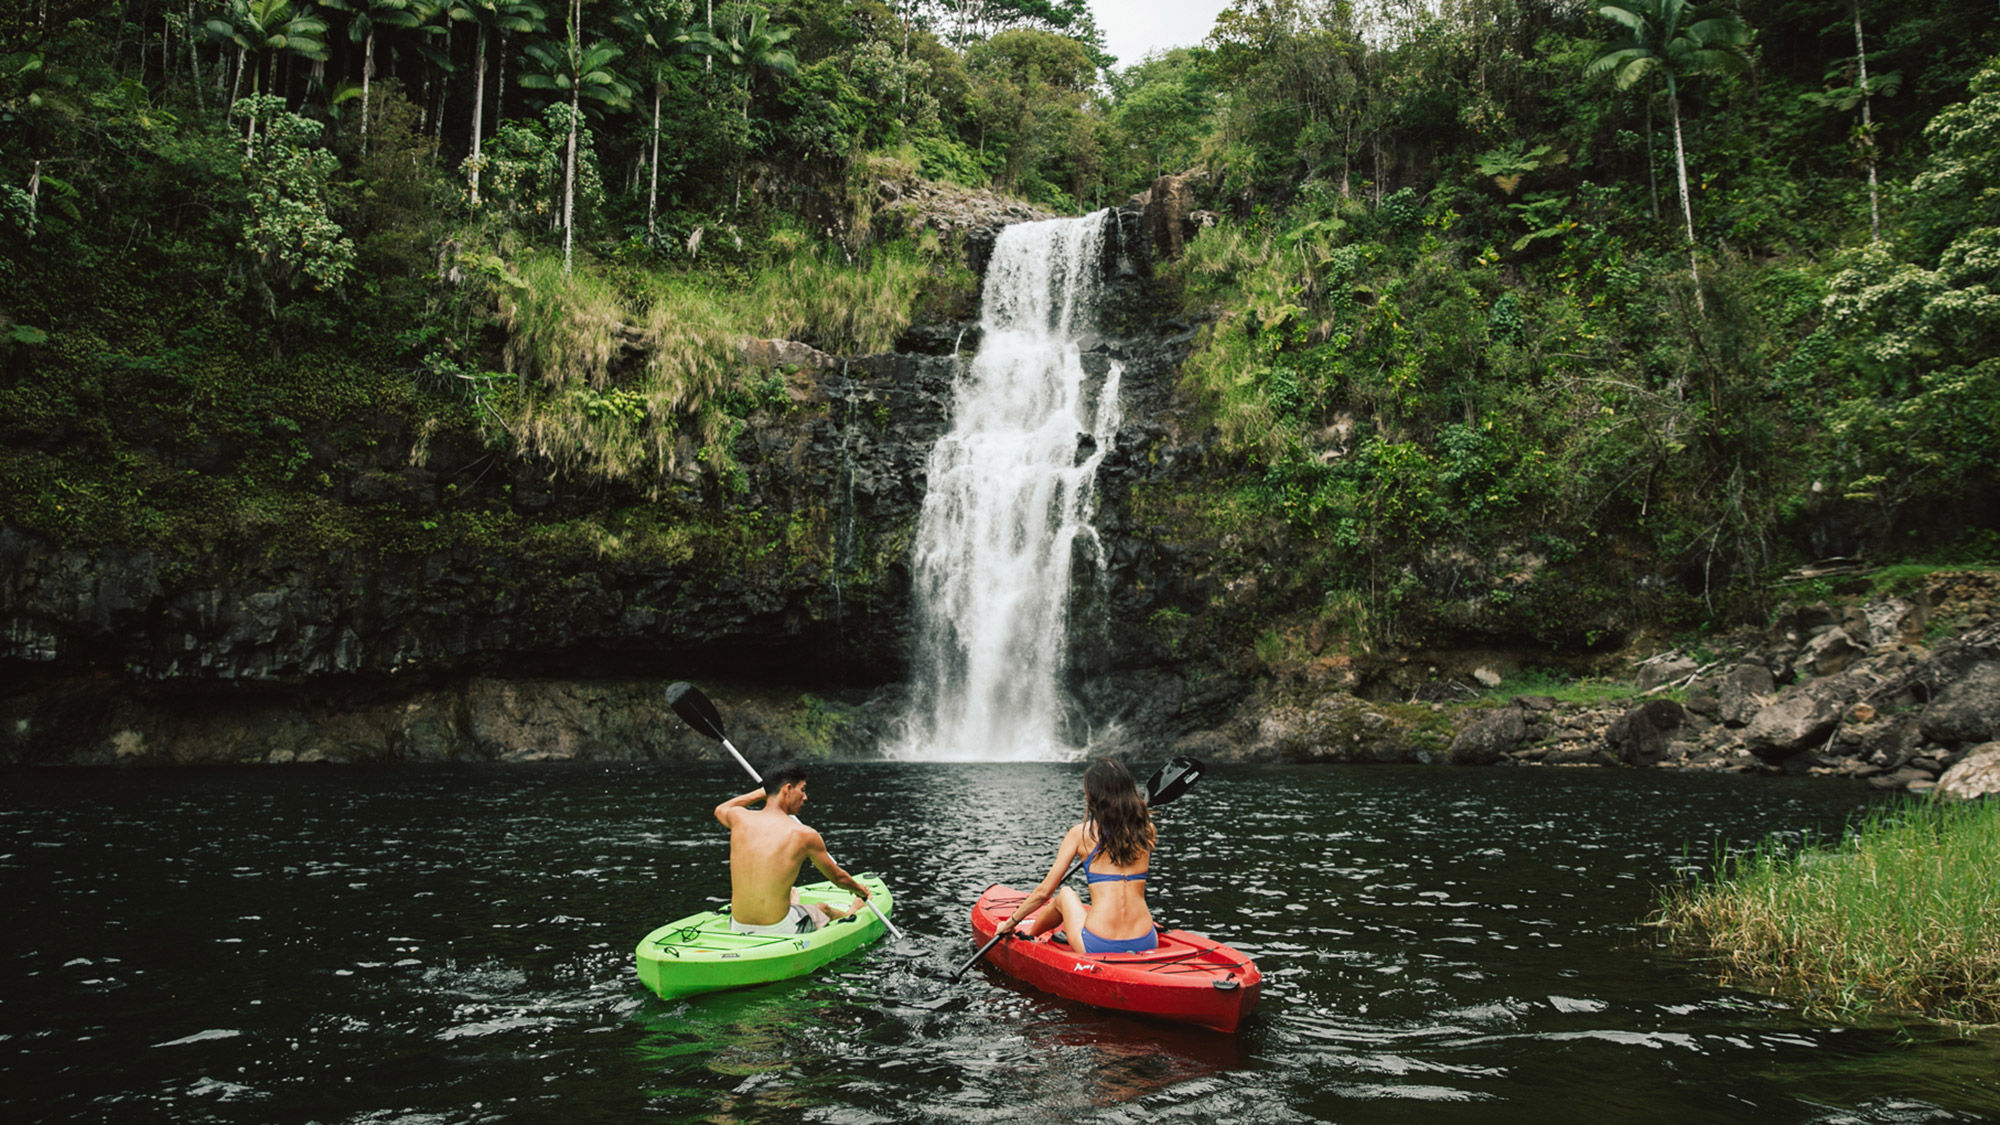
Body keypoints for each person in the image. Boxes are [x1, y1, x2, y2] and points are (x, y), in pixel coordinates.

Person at [993, 759, 1158, 955]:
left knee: (1065, 894)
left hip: (1099, 943)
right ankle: (1029, 936)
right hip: (1146, 939)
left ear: (1094, 795)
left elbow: (1044, 892)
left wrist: (1010, 922)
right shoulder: (1147, 830)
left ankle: (1029, 937)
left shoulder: (1081, 834)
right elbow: (1122, 830)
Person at [713, 761, 871, 935]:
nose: (805, 797)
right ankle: (849, 913)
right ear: (787, 789)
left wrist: (764, 792)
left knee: (789, 897)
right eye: (802, 790)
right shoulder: (804, 834)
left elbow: (722, 808)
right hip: (778, 929)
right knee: (822, 908)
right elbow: (839, 878)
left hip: (737, 925)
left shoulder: (739, 818)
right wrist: (860, 890)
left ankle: (793, 905)